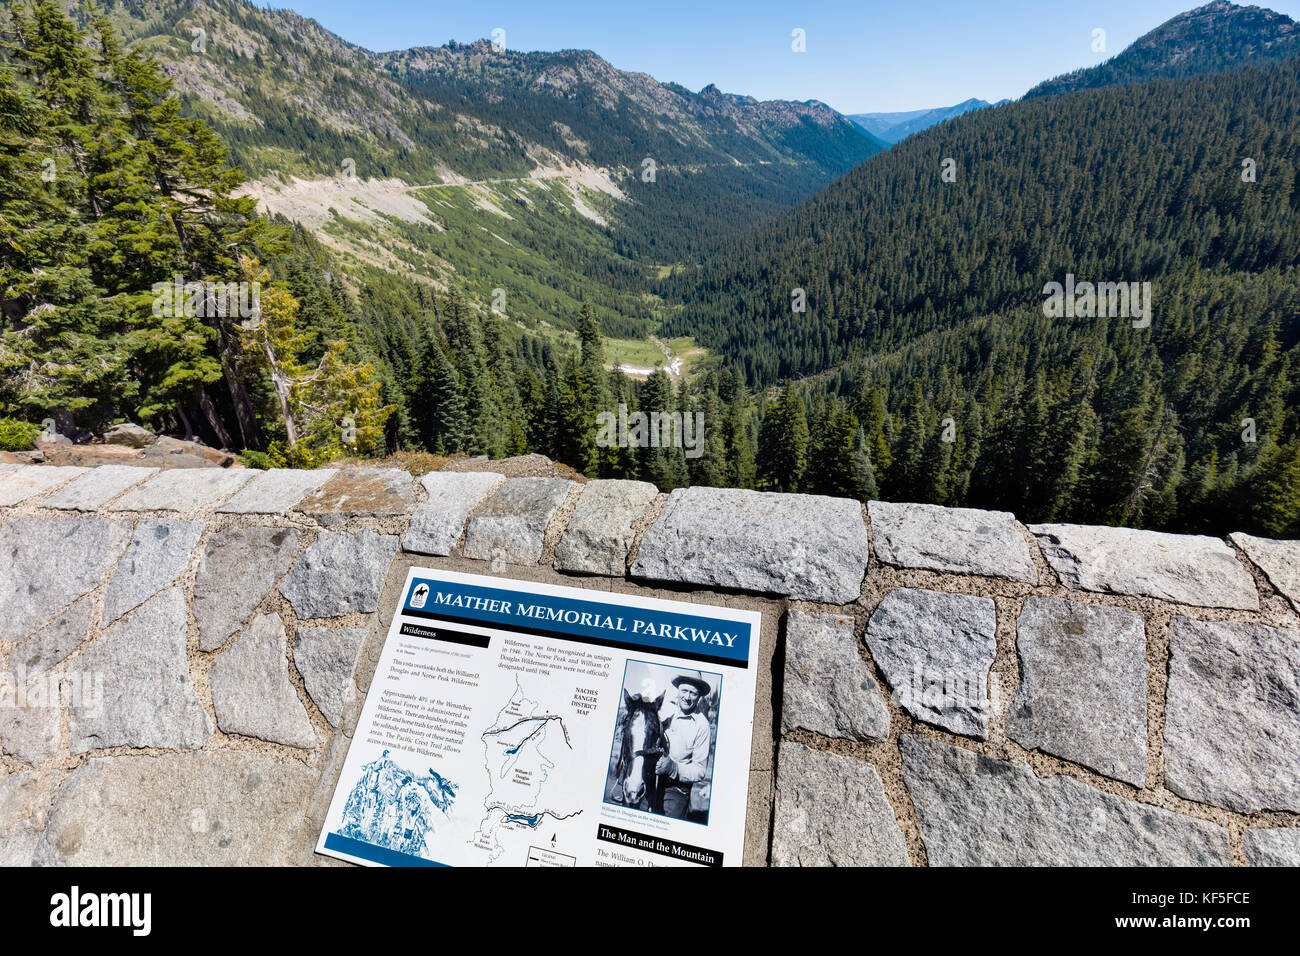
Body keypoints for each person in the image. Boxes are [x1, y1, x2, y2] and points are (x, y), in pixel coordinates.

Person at [654, 674, 713, 819]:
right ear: (678, 690)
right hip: (651, 781)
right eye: (684, 691)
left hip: (676, 790)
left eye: (693, 693)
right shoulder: (663, 709)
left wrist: (673, 768)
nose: (687, 697)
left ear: (699, 696)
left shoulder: (702, 725)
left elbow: (700, 770)